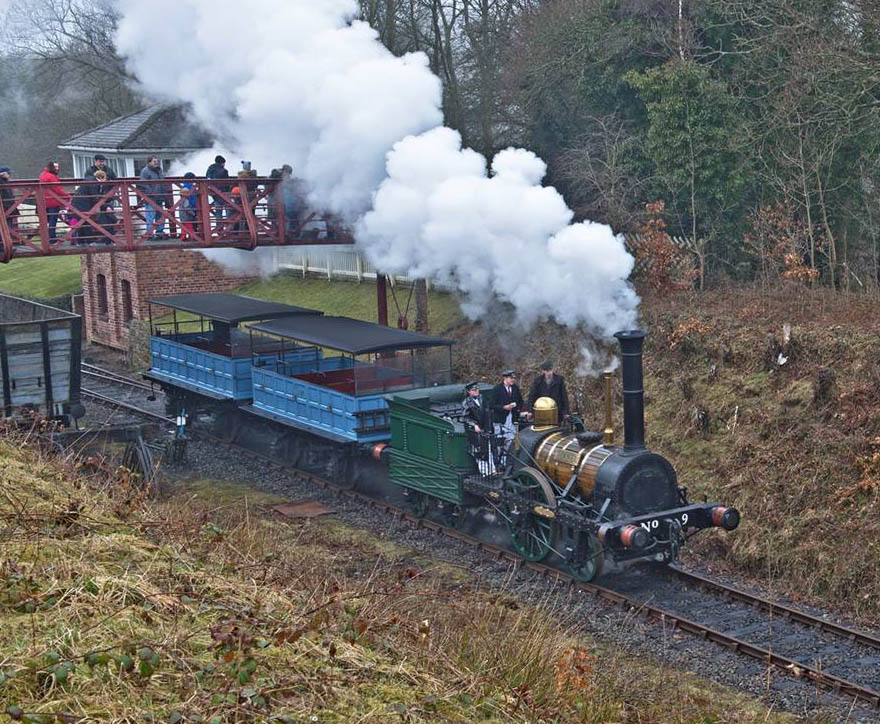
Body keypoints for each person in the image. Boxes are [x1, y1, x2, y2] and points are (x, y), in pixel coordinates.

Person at [491, 370, 529, 468]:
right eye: (511, 378)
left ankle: (509, 462)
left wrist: (517, 407)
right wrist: (504, 407)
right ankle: (499, 463)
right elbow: (492, 405)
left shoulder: (515, 388)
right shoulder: (497, 389)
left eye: (513, 378)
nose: (513, 380)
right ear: (505, 378)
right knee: (500, 441)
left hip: (512, 418)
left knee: (511, 441)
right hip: (501, 419)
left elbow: (520, 401)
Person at [462, 382, 494, 476]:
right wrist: (474, 425)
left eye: (477, 389)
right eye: (473, 390)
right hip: (474, 430)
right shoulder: (466, 402)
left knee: (488, 447)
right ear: (469, 392)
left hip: (485, 428)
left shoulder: (482, 398)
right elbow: (465, 418)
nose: (476, 391)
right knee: (479, 450)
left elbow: (487, 412)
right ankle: (485, 472)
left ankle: (492, 470)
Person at [528, 361, 570, 425]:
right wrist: (530, 411)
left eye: (550, 370)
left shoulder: (559, 380)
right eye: (547, 371)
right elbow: (532, 396)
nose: (549, 373)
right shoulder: (538, 381)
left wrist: (566, 412)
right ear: (543, 371)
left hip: (556, 411)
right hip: (541, 412)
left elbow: (564, 396)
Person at [38, 160, 69, 244]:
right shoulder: (52, 177)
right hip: (53, 201)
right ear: (52, 167)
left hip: (44, 201)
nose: (57, 169)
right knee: (53, 221)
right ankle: (52, 238)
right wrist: (67, 196)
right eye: (56, 167)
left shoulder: (42, 175)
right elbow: (58, 189)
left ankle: (47, 238)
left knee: (47, 220)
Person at [139, 156, 167, 239]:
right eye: (154, 161)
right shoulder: (145, 171)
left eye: (157, 161)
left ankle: (160, 232)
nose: (156, 163)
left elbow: (162, 183)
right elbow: (143, 184)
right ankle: (150, 234)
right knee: (150, 217)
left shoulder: (159, 170)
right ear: (149, 162)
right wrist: (151, 192)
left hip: (160, 196)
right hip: (151, 198)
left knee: (160, 216)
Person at [205, 154, 230, 219]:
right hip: (223, 193)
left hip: (213, 193)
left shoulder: (210, 169)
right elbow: (226, 183)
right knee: (228, 209)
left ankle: (218, 227)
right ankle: (229, 226)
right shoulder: (224, 171)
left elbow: (207, 179)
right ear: (222, 163)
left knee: (218, 210)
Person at [178, 172, 199, 240]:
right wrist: (193, 213)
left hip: (183, 215)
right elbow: (187, 207)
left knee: (184, 227)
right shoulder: (191, 187)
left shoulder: (185, 187)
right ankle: (193, 237)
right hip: (190, 210)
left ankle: (183, 237)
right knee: (191, 226)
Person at [0, 166, 19, 235]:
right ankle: (4, 243)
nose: (10, 175)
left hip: (7, 208)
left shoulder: (5, 182)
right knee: (6, 228)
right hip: (6, 208)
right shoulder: (3, 182)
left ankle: (5, 242)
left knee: (7, 227)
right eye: (8, 173)